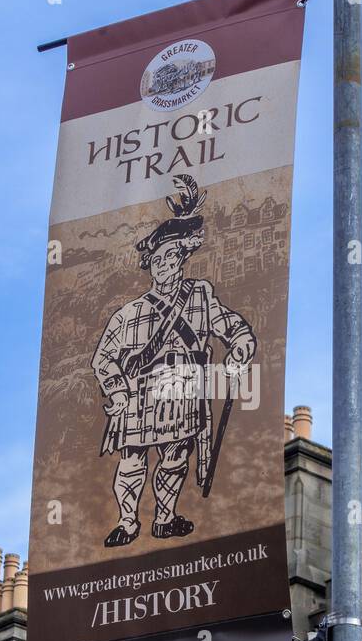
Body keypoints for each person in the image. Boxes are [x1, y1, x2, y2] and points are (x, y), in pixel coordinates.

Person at [91, 177, 256, 548]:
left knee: (175, 455)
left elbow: (231, 326)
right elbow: (103, 359)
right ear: (150, 264)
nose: (166, 265)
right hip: (137, 394)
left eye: (172, 257)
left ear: (182, 258)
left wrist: (241, 345)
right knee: (132, 459)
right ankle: (128, 521)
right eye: (159, 259)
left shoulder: (200, 296)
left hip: (182, 386)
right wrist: (117, 393)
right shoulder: (128, 314)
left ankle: (165, 518)